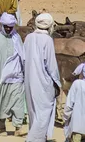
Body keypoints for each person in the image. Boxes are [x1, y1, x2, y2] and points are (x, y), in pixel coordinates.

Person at [24, 13, 60, 142]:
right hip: (43, 81)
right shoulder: (47, 40)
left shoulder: (28, 37)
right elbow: (51, 65)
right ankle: (35, 138)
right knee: (44, 111)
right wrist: (57, 82)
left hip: (29, 80)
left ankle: (38, 137)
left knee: (33, 110)